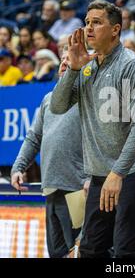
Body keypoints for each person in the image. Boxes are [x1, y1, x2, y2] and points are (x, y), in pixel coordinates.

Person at [49, 0, 135, 258]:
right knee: (90, 248)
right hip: (103, 172)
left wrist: (118, 172)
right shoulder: (87, 68)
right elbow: (57, 106)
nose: (89, 28)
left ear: (115, 29)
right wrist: (73, 70)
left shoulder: (133, 65)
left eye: (97, 22)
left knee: (125, 249)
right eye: (87, 22)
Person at [11, 52, 89, 258]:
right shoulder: (48, 98)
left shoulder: (88, 96)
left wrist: (91, 178)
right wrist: (19, 167)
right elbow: (34, 136)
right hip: (51, 188)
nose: (64, 62)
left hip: (77, 189)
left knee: (78, 252)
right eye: (62, 59)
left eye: (70, 58)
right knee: (56, 253)